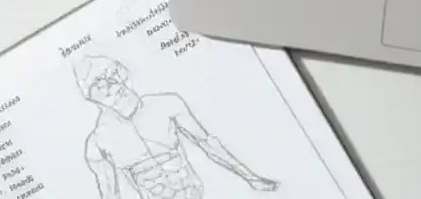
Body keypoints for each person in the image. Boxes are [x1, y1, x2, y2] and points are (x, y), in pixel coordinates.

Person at [74, 55, 278, 199]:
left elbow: (207, 143)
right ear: (92, 98)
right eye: (102, 86)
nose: (115, 87)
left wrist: (251, 178)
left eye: (114, 77)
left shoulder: (167, 104)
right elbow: (110, 194)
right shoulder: (97, 142)